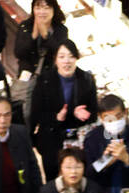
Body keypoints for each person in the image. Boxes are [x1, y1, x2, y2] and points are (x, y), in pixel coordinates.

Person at [30, 40, 97, 182]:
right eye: (62, 57)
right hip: (51, 139)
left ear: (76, 58)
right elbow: (36, 113)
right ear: (55, 59)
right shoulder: (44, 80)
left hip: (76, 140)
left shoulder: (86, 79)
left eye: (71, 56)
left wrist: (82, 114)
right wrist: (56, 117)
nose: (66, 61)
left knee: (76, 178)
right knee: (53, 179)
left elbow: (94, 113)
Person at [82, 94, 129, 193]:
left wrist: (127, 159)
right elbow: (88, 174)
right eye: (109, 119)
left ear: (126, 113)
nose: (115, 122)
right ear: (100, 117)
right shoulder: (93, 139)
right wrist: (104, 162)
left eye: (119, 116)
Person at [12, 0, 68, 78]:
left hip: (51, 77)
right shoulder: (25, 26)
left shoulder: (60, 29)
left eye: (46, 8)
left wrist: (46, 35)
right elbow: (19, 53)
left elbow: (61, 53)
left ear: (54, 10)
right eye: (38, 8)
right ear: (33, 10)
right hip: (27, 77)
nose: (42, 12)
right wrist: (33, 36)